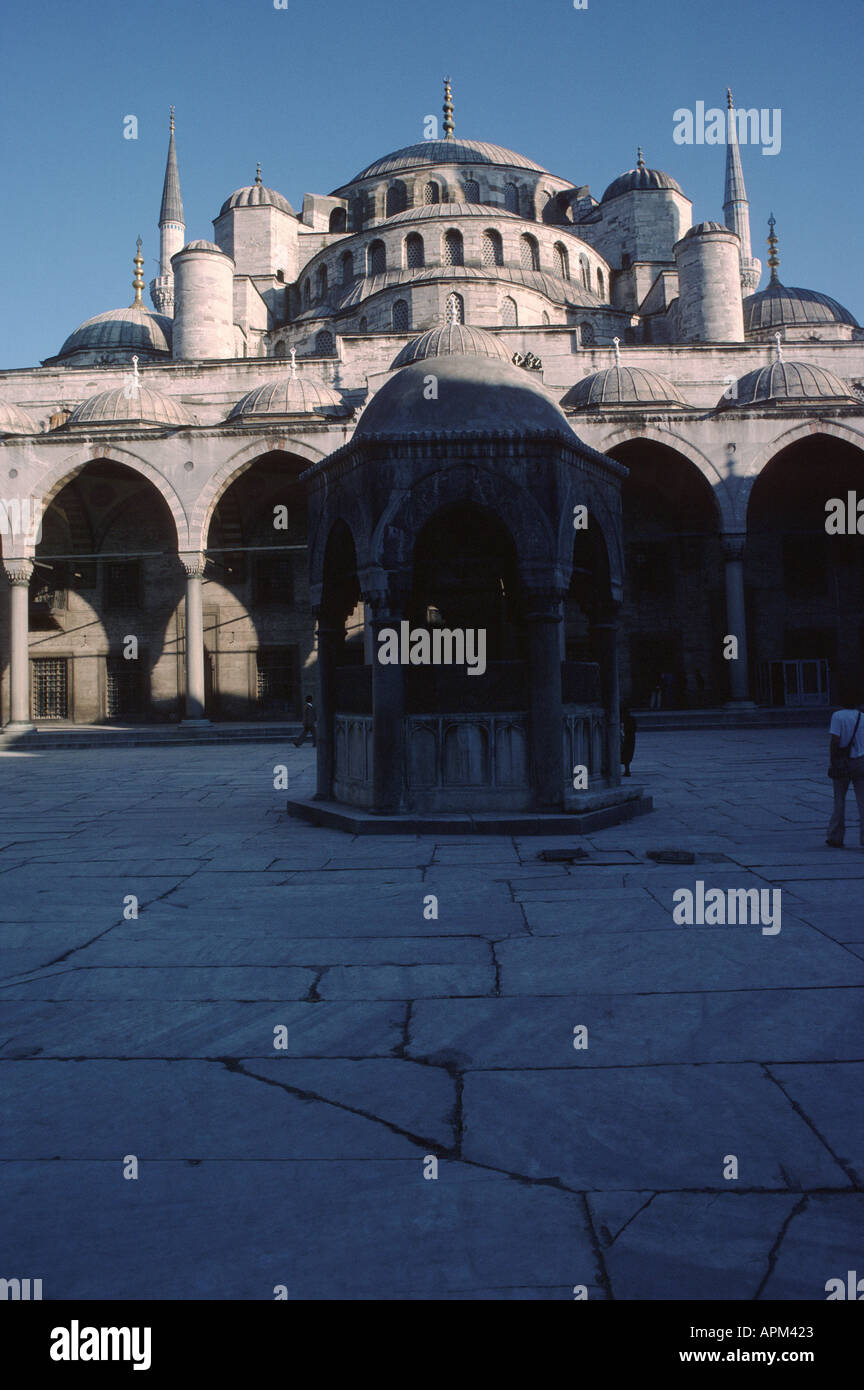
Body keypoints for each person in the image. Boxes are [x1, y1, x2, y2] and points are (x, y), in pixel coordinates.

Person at [826, 680, 864, 847]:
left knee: (839, 800)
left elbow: (835, 740)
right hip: (861, 761)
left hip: (843, 762)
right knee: (862, 802)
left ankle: (836, 836)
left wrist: (833, 761)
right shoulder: (863, 716)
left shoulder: (838, 716)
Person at [620, 705, 637, 777]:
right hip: (629, 738)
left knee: (625, 754)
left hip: (626, 738)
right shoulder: (630, 719)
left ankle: (627, 770)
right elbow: (635, 728)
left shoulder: (623, 720)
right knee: (627, 755)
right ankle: (627, 770)